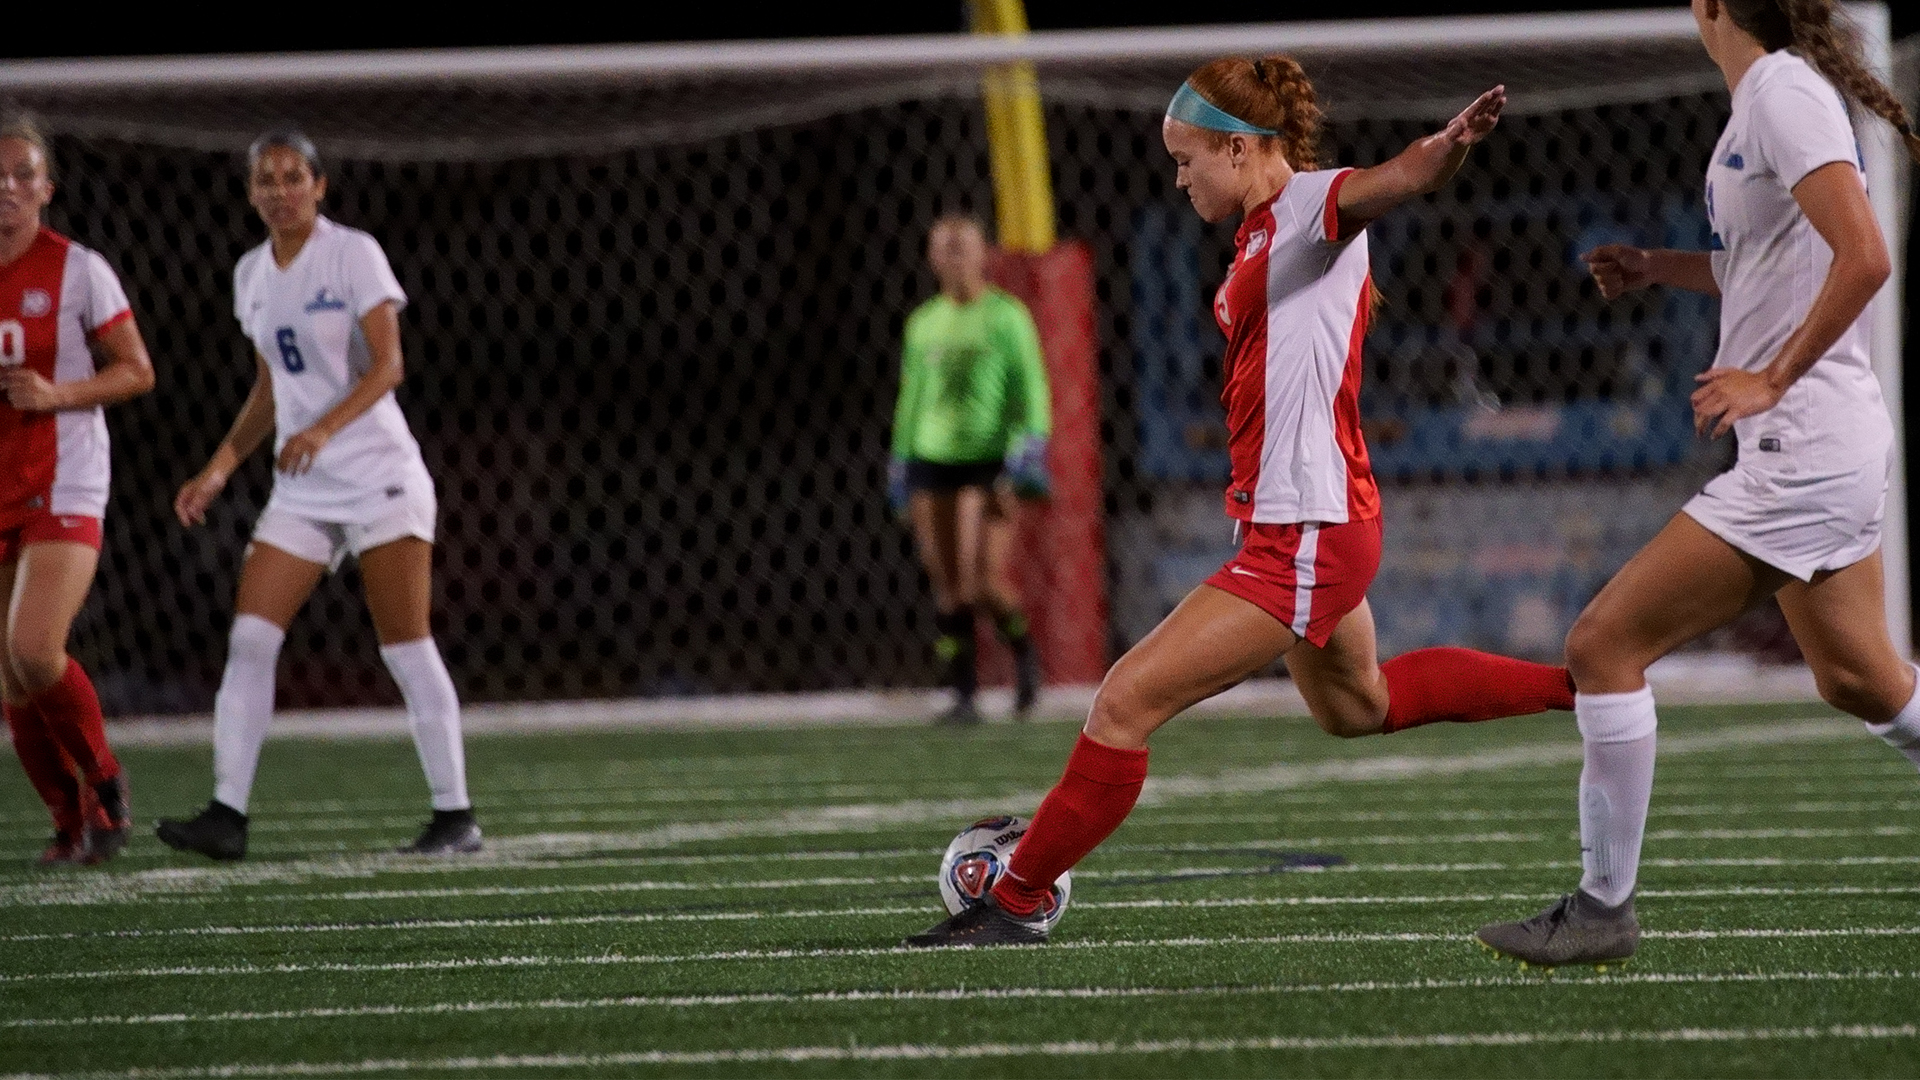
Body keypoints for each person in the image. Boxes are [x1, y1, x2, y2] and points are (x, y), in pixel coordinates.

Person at [908, 57, 1579, 947]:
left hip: (1307, 531)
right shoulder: (1264, 231)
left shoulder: (1309, 205)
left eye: (1188, 160)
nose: (1179, 178)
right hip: (1310, 522)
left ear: (1238, 146)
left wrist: (1449, 148)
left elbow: (1398, 178)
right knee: (1358, 706)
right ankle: (1587, 686)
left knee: (1122, 703)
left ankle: (1020, 897)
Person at [1474, 0, 1920, 967]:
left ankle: (1602, 908)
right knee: (1864, 682)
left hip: (1801, 450)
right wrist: (1656, 268)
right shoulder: (1764, 98)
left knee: (1602, 643)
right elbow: (1771, 264)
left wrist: (1771, 377)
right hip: (1820, 448)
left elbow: (1866, 255)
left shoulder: (1782, 95)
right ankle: (1601, 907)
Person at [155, 129, 480, 861]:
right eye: (265, 179)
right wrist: (218, 469)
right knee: (250, 636)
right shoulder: (250, 275)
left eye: (293, 176)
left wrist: (326, 429)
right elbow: (273, 386)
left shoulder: (352, 253)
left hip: (378, 474)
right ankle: (227, 814)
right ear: (249, 192)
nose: (279, 190)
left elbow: (389, 365)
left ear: (320, 185)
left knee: (405, 642)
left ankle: (455, 815)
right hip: (304, 488)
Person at [0, 114, 155, 865]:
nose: (8, 188)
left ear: (47, 188)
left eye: (24, 174)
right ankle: (69, 821)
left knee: (34, 646)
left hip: (64, 473)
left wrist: (55, 395)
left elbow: (137, 369)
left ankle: (106, 780)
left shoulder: (78, 269)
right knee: (11, 671)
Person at [888, 214, 1051, 725]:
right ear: (932, 258)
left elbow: (1033, 391)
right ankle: (962, 694)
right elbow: (911, 398)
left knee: (982, 580)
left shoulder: (1007, 317)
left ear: (983, 255)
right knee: (948, 585)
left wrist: (1026, 459)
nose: (955, 258)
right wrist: (900, 463)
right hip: (929, 460)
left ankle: (1024, 654)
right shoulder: (923, 322)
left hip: (988, 461)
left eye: (964, 248)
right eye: (945, 249)